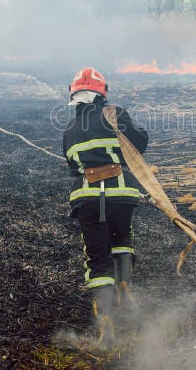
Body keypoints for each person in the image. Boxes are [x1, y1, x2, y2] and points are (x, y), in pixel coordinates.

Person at [62, 67, 148, 346]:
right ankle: (125, 286)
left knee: (97, 257)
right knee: (122, 238)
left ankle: (106, 324)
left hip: (88, 197)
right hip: (121, 192)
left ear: (75, 96)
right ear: (102, 93)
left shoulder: (70, 131)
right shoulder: (114, 114)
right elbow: (140, 143)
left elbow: (73, 167)